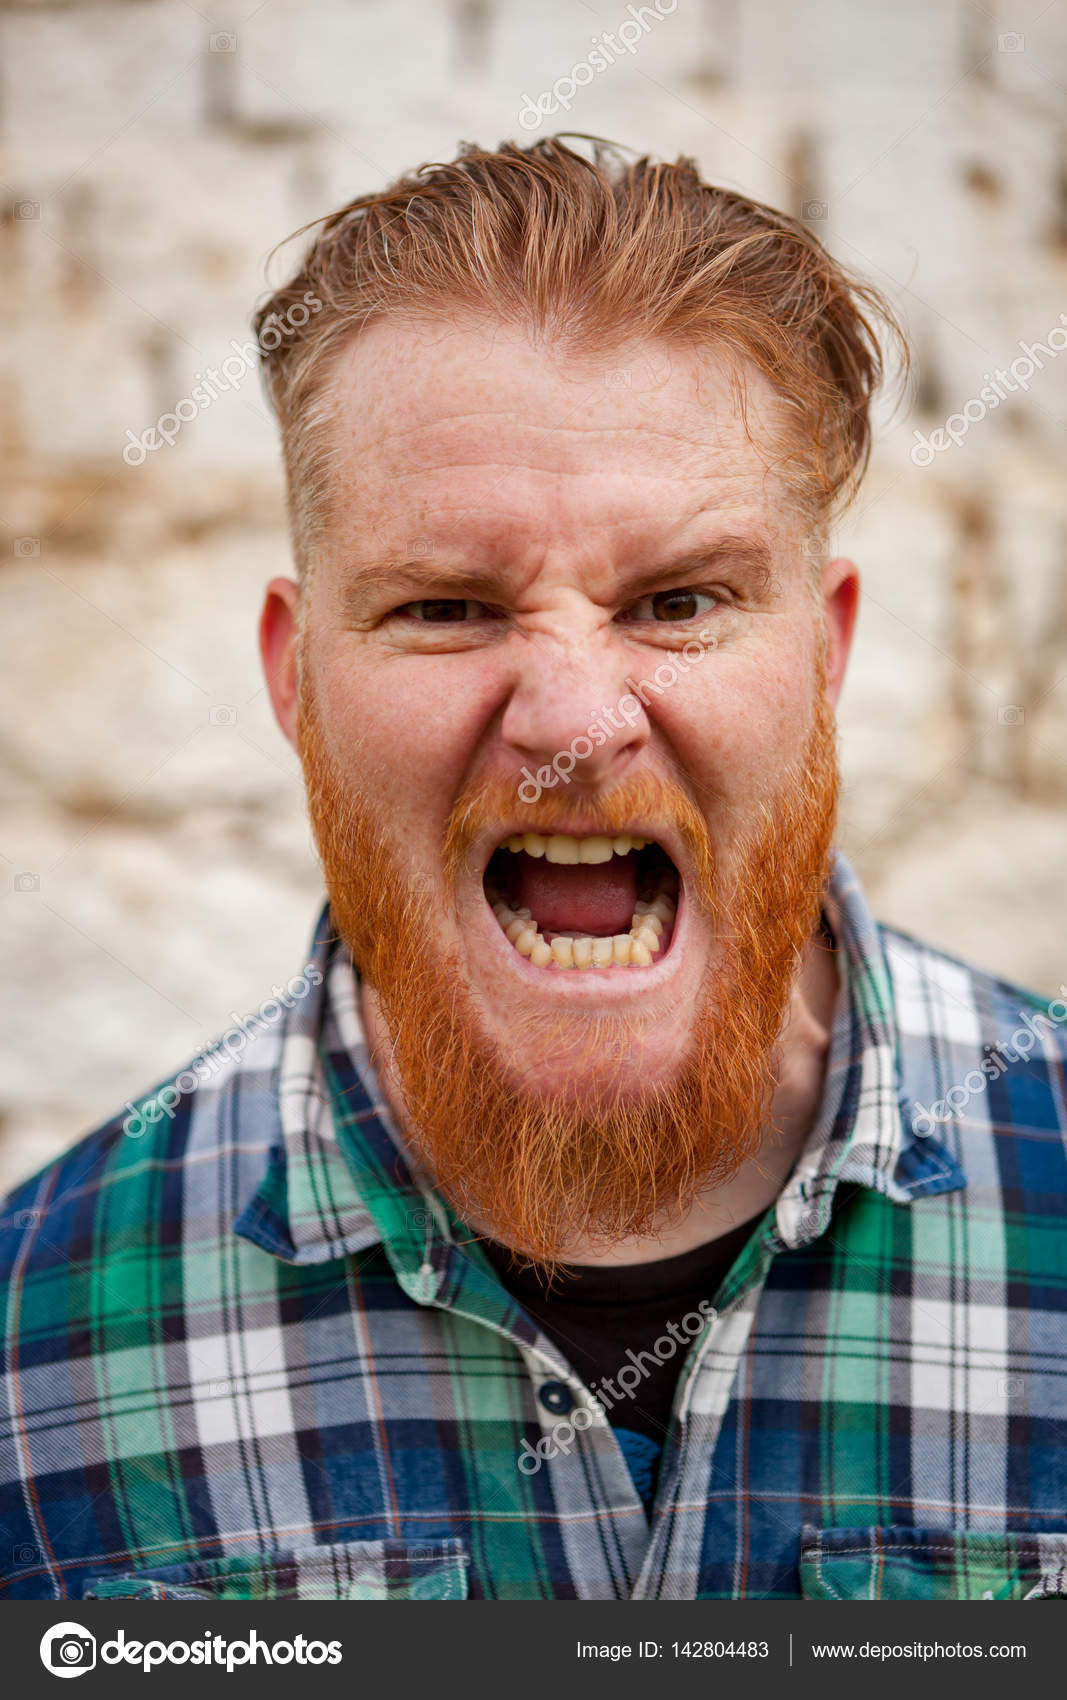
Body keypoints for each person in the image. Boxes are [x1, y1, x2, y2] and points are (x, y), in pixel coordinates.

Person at [2, 138, 1065, 1604]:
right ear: (295, 680)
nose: (572, 724)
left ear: (826, 657)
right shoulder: (30, 1351)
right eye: (445, 606)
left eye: (680, 600)